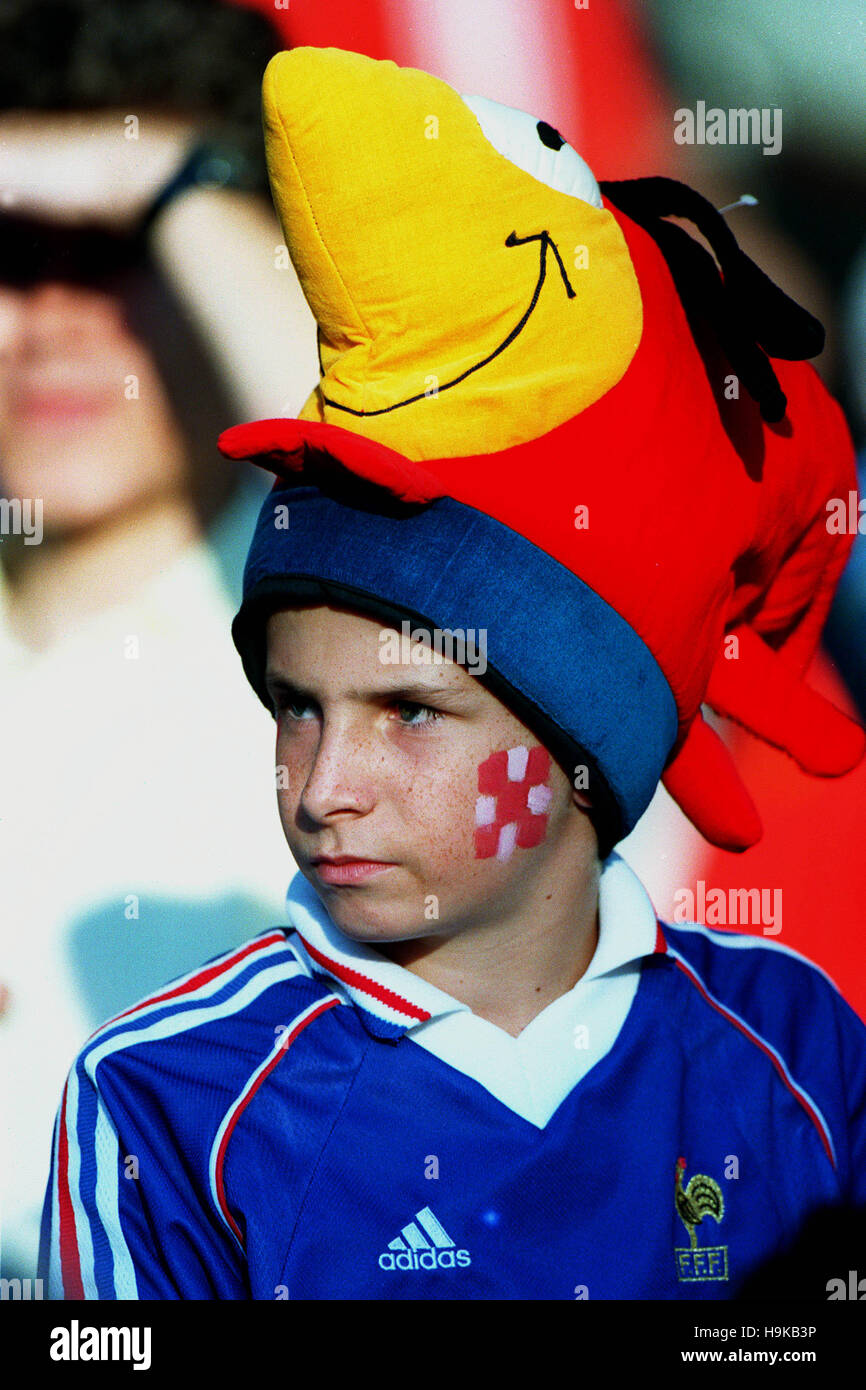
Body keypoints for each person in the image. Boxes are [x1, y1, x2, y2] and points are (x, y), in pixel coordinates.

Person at [39, 45, 866, 1300]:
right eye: (295, 709)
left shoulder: (802, 1048)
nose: (322, 790)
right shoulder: (162, 1094)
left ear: (583, 749)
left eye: (411, 711)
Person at [0, 0, 318, 1282]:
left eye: (124, 249)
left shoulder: (365, 645)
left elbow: (442, 494)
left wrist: (174, 178)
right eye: (14, 250)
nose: (60, 321)